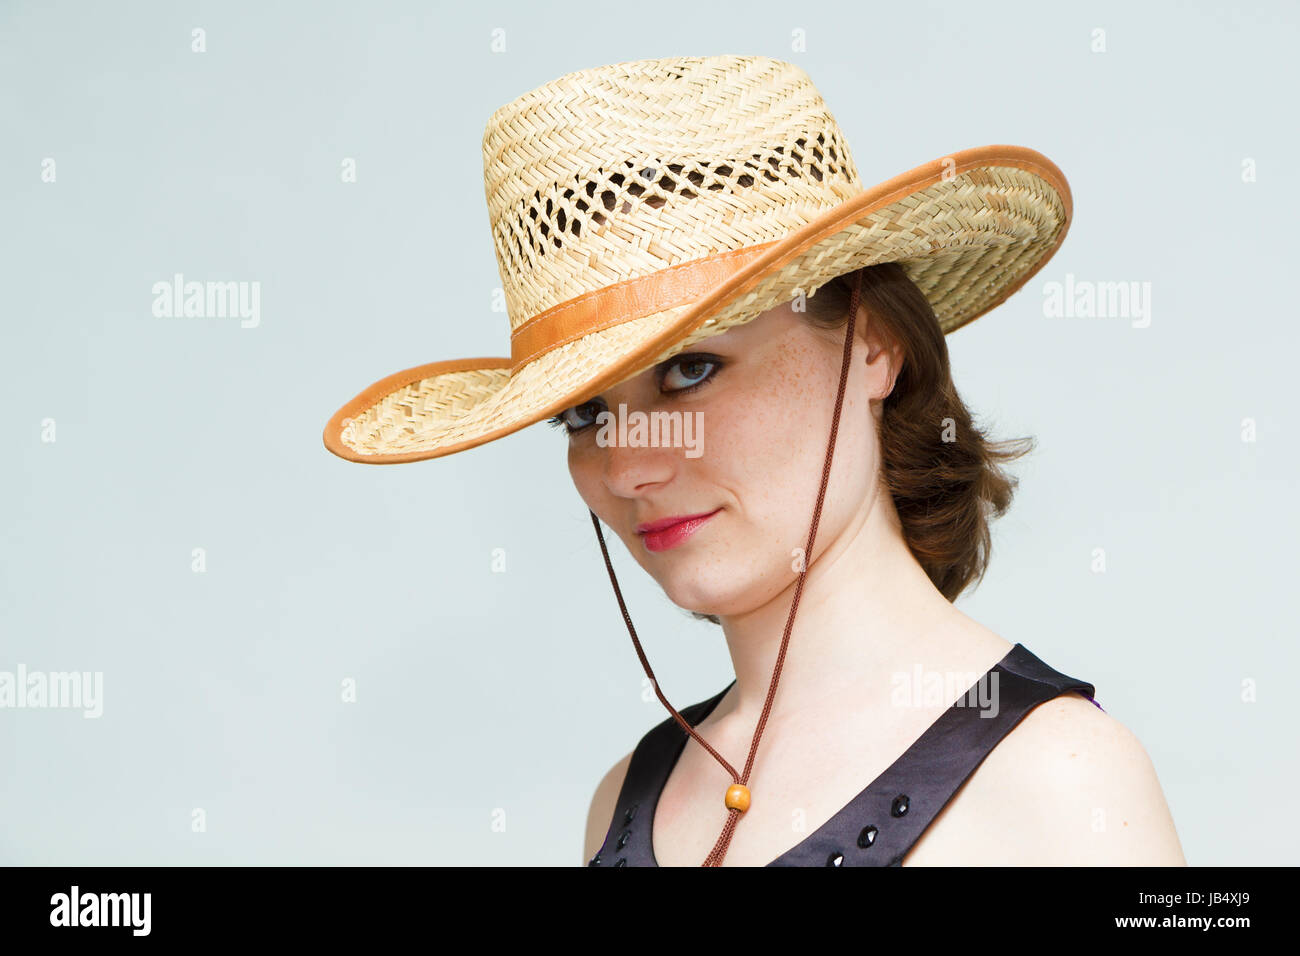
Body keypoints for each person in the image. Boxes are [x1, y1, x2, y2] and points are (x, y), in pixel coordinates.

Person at [322, 54, 1186, 867]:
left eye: (691, 371)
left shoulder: (1059, 783)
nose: (627, 470)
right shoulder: (627, 799)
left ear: (871, 344)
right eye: (585, 415)